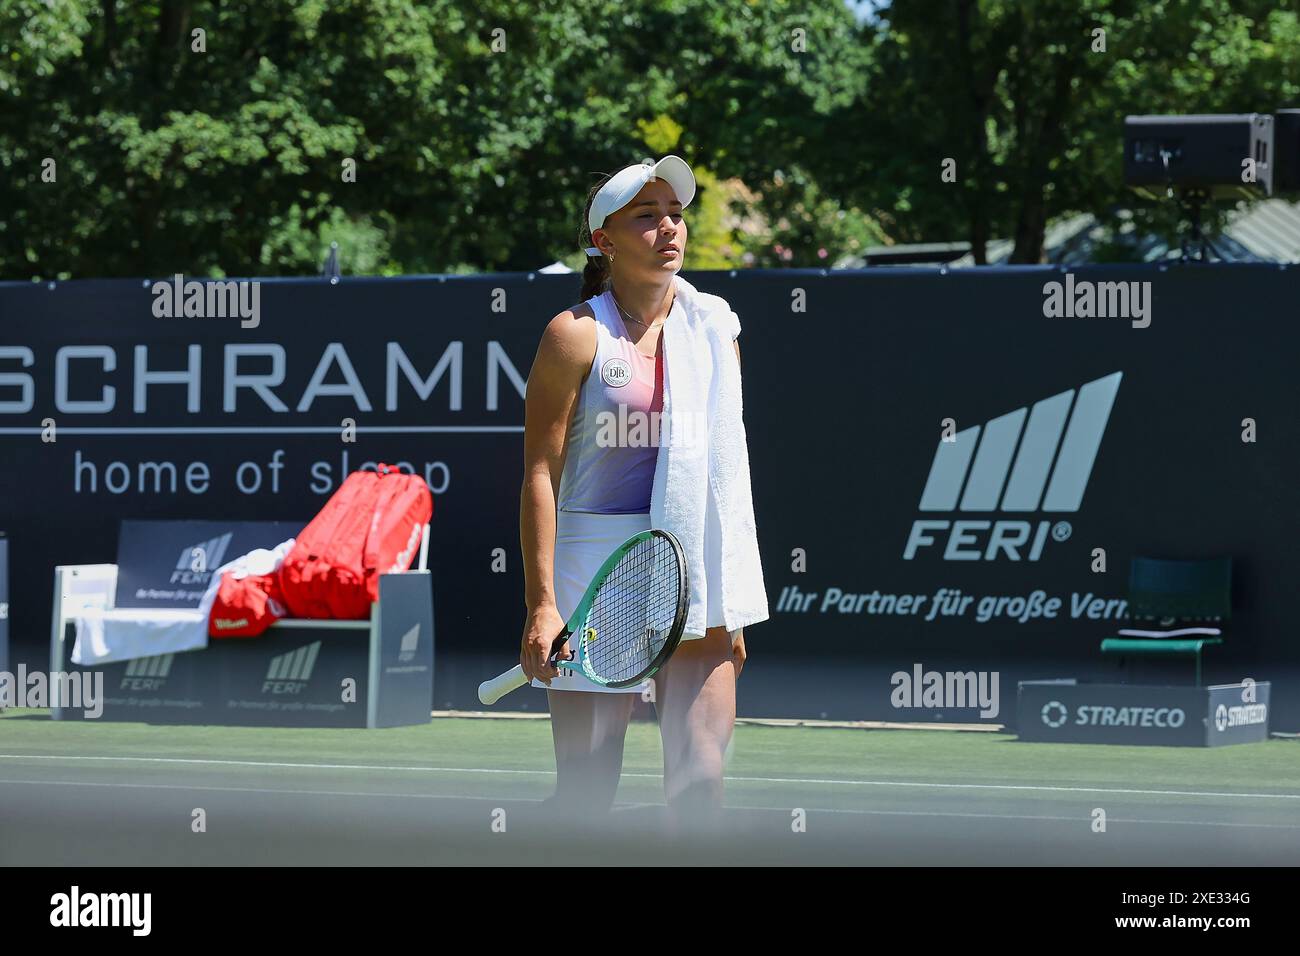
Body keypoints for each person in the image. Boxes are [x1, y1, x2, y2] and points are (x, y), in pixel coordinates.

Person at [518, 155, 764, 823]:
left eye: (677, 216)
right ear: (605, 240)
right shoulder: (574, 335)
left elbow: (725, 466)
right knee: (585, 796)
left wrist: (730, 592)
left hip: (692, 569)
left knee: (701, 785)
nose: (669, 229)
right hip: (592, 572)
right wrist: (543, 606)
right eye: (647, 216)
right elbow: (540, 472)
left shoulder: (717, 329)